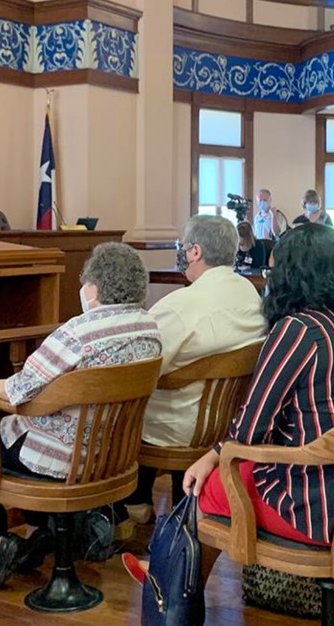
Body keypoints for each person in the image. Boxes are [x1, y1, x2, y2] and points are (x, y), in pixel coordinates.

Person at [0, 242, 162, 588]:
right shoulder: (148, 327)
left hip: (65, 459)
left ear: (94, 287)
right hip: (113, 456)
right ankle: (36, 535)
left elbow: (21, 388)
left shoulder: (79, 333)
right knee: (22, 432)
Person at [182, 223, 334, 548]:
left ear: (291, 276)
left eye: (272, 270)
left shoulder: (297, 330)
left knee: (204, 484)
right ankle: (171, 581)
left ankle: (174, 591)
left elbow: (250, 432)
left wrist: (212, 455)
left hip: (320, 508)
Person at [124, 216, 267, 522]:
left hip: (178, 427)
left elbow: (135, 368)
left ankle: (128, 502)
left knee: (122, 402)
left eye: (183, 246)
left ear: (195, 252)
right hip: (228, 423)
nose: (182, 252)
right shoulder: (251, 295)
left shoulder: (179, 306)